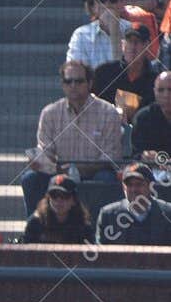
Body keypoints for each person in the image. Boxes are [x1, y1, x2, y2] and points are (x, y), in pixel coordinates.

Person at [25, 59, 126, 214]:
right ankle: (36, 230)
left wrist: (78, 169)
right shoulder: (50, 113)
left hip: (94, 174)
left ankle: (100, 232)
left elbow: (111, 157)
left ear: (90, 83)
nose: (73, 85)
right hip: (59, 175)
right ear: (62, 84)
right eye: (68, 81)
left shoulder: (108, 113)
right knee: (31, 178)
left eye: (78, 81)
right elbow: (46, 152)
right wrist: (44, 163)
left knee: (106, 178)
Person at [95, 162, 171, 244]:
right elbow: (100, 257)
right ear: (123, 187)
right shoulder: (108, 215)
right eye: (129, 185)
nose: (134, 189)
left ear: (151, 187)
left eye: (139, 184)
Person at [22, 173, 95, 243]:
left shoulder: (83, 226)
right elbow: (26, 251)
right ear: (48, 199)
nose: (58, 200)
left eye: (64, 196)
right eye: (54, 195)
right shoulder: (36, 222)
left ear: (74, 200)